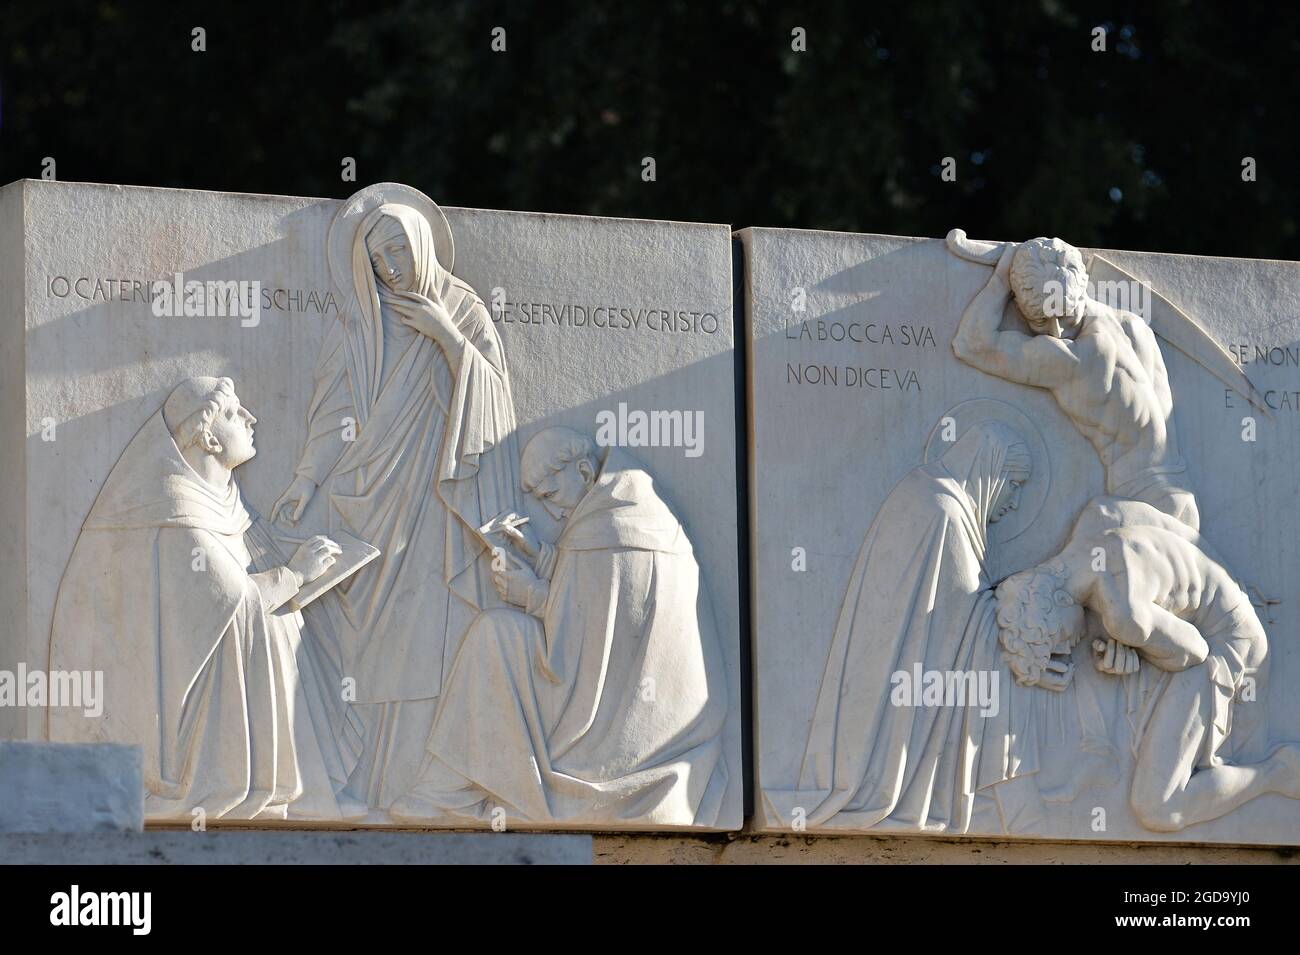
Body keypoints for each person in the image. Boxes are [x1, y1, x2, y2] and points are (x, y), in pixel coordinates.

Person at [271, 203, 522, 809]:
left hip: (437, 501)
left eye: (398, 252)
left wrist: (446, 337)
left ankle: (428, 781)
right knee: (369, 643)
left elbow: (498, 410)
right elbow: (336, 412)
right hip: (369, 501)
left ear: (422, 244)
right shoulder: (359, 319)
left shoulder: (462, 309)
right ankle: (370, 777)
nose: (389, 268)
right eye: (378, 259)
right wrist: (306, 479)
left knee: (428, 633)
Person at [49, 377, 363, 821]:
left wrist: (310, 564)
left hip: (211, 668)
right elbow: (231, 600)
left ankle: (309, 788)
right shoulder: (174, 510)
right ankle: (256, 786)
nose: (252, 418)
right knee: (270, 621)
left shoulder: (224, 498)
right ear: (208, 435)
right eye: (235, 413)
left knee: (286, 618)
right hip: (171, 699)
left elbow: (253, 563)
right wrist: (295, 574)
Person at [389, 427, 729, 826]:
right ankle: (448, 788)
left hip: (615, 722)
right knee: (502, 635)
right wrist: (542, 555)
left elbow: (583, 644)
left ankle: (448, 792)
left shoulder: (607, 529)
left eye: (550, 495)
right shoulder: (631, 510)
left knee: (494, 636)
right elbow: (603, 603)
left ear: (583, 471)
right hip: (644, 704)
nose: (551, 512)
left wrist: (531, 595)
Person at [766, 420, 1045, 833]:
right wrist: (1034, 633)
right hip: (901, 690)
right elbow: (963, 622)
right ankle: (1021, 809)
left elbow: (959, 614)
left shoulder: (927, 492)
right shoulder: (943, 511)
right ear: (989, 470)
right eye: (1013, 484)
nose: (1015, 501)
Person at [997, 498, 1300, 831]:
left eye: (1060, 642)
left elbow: (1195, 650)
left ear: (1057, 601)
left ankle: (1275, 773)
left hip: (1227, 648)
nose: (1069, 647)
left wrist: (1136, 650)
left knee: (1158, 807)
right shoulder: (1096, 519)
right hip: (1234, 611)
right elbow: (1187, 538)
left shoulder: (1126, 617)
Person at [952, 238, 1199, 529]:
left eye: (1064, 316)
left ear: (1081, 289)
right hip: (1179, 496)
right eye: (1040, 321)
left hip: (1143, 502)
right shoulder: (1134, 327)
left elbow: (970, 343)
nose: (1055, 332)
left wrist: (999, 279)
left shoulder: (1075, 360)